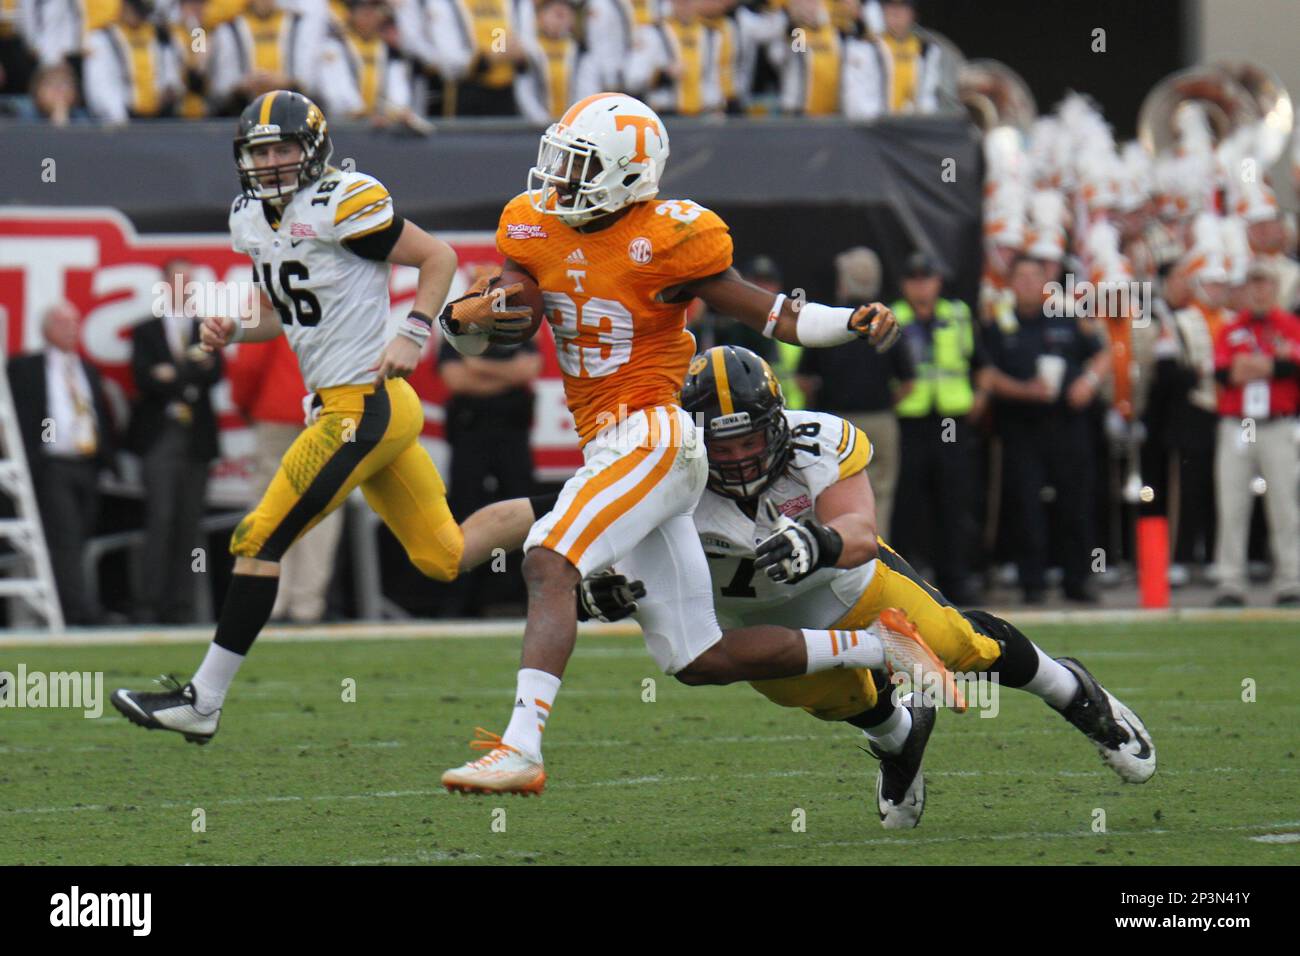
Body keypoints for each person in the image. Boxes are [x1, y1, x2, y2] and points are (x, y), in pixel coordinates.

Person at [439, 91, 909, 796]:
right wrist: (465, 319)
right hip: (609, 445)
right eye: (559, 163)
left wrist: (852, 322)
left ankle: (521, 746)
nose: (558, 182)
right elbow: (514, 305)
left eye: (578, 167)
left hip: (653, 434)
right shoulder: (532, 225)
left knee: (547, 557)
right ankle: (882, 646)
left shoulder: (669, 237)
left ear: (626, 174)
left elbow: (772, 314)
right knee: (699, 657)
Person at [109, 90, 532, 741]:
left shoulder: (344, 200)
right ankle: (581, 509)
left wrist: (413, 332)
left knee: (255, 538)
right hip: (360, 405)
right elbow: (285, 311)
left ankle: (203, 701)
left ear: (312, 150)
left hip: (361, 403)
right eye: (261, 151)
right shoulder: (249, 218)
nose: (272, 161)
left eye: (283, 148)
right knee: (443, 556)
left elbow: (439, 258)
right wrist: (235, 326)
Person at [586, 345, 1156, 825]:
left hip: (844, 581)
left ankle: (1072, 690)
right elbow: (611, 553)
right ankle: (901, 738)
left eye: (750, 441)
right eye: (723, 446)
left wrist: (820, 542)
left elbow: (860, 530)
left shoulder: (818, 443)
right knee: (840, 700)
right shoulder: (665, 474)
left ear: (778, 423)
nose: (737, 459)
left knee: (957, 646)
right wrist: (600, 591)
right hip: (752, 618)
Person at [982, 255, 1111, 604]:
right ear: (1010, 284)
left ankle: (1078, 580)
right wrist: (1024, 390)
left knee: (1077, 502)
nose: (1026, 284)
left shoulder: (1067, 317)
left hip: (1068, 423)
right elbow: (986, 374)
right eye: (1019, 277)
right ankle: (1032, 583)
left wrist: (1089, 382)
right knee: (1026, 505)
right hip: (1021, 426)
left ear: (1045, 283)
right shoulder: (1000, 324)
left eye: (1033, 277)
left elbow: (1102, 354)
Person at [6, 302, 117, 625]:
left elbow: (100, 414)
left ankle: (73, 601)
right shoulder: (27, 368)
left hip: (86, 462)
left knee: (81, 535)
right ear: (45, 329)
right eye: (62, 322)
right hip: (53, 464)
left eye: (74, 322)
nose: (71, 328)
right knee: (64, 537)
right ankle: (77, 610)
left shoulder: (86, 368)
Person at [127, 257, 224, 624]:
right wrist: (187, 373)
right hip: (160, 438)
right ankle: (148, 604)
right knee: (160, 520)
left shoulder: (205, 329)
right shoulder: (146, 331)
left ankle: (182, 605)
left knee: (189, 524)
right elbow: (144, 378)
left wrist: (173, 373)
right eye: (178, 281)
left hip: (196, 439)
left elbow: (214, 373)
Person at [797, 246, 914, 540]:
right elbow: (909, 381)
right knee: (881, 495)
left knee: (833, 494)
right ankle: (878, 560)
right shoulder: (887, 321)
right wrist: (886, 403)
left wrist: (817, 402)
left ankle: (840, 555)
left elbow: (803, 378)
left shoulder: (831, 321)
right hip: (881, 420)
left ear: (846, 281)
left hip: (835, 425)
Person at [227, 334, 343, 624]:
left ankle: (270, 599)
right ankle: (307, 603)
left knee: (271, 507)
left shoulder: (271, 291)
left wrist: (246, 403)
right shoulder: (344, 290)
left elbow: (249, 364)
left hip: (278, 407)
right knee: (322, 507)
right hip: (329, 409)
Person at [889, 251, 984, 604]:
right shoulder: (892, 317)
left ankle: (955, 579)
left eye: (926, 279)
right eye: (914, 280)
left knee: (953, 499)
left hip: (951, 419)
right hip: (910, 419)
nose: (921, 286)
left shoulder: (957, 315)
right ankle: (907, 579)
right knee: (907, 502)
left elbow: (979, 361)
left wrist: (982, 395)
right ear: (904, 284)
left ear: (937, 282)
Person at [437, 298, 542, 616]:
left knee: (522, 507)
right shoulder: (456, 327)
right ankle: (459, 600)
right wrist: (505, 375)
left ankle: (519, 595)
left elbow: (528, 370)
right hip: (470, 431)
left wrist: (480, 367)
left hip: (512, 432)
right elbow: (456, 378)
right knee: (464, 509)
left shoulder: (518, 326)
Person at [1211, 258, 1300, 607]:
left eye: (1265, 284)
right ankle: (1230, 579)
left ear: (1275, 288)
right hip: (1239, 423)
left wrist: (1261, 366)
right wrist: (1271, 366)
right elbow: (1223, 373)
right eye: (1253, 284)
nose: (1259, 291)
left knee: (1284, 504)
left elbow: (1291, 366)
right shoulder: (1230, 327)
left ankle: (1291, 578)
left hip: (1277, 422)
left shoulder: (1290, 325)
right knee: (1231, 503)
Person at [82, 0, 182, 123]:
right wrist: (121, 121)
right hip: (126, 120)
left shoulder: (162, 34)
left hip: (165, 118)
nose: (137, 13)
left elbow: (175, 69)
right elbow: (102, 87)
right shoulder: (103, 37)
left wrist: (171, 87)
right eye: (133, 6)